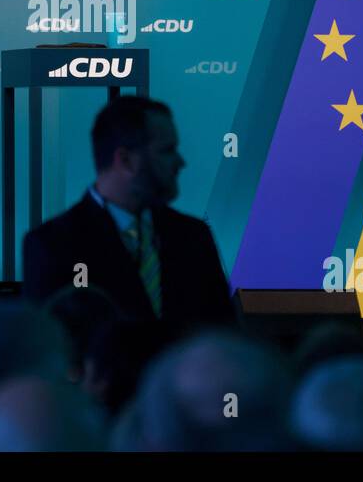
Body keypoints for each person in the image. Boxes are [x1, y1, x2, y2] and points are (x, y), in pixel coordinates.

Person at [22, 96, 235, 331]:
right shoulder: (53, 245)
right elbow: (50, 349)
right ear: (125, 160)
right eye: (167, 150)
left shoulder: (194, 237)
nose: (180, 162)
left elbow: (223, 333)